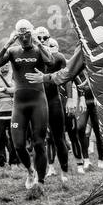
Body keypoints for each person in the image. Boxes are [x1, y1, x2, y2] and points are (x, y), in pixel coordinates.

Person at [0, 20, 64, 192]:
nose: (23, 37)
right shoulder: (12, 50)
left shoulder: (39, 50)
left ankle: (40, 182)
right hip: (19, 104)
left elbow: (50, 62)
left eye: (26, 33)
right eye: (20, 34)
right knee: (17, 145)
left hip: (38, 101)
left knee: (40, 143)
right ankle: (30, 171)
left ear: (30, 33)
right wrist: (8, 43)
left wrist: (37, 41)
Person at [37, 34, 71, 182]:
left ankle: (64, 173)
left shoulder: (58, 57)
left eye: (45, 37)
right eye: (39, 37)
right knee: (38, 140)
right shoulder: (31, 56)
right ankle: (42, 174)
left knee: (59, 138)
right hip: (37, 102)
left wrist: (70, 98)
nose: (42, 40)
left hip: (53, 100)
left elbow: (68, 77)